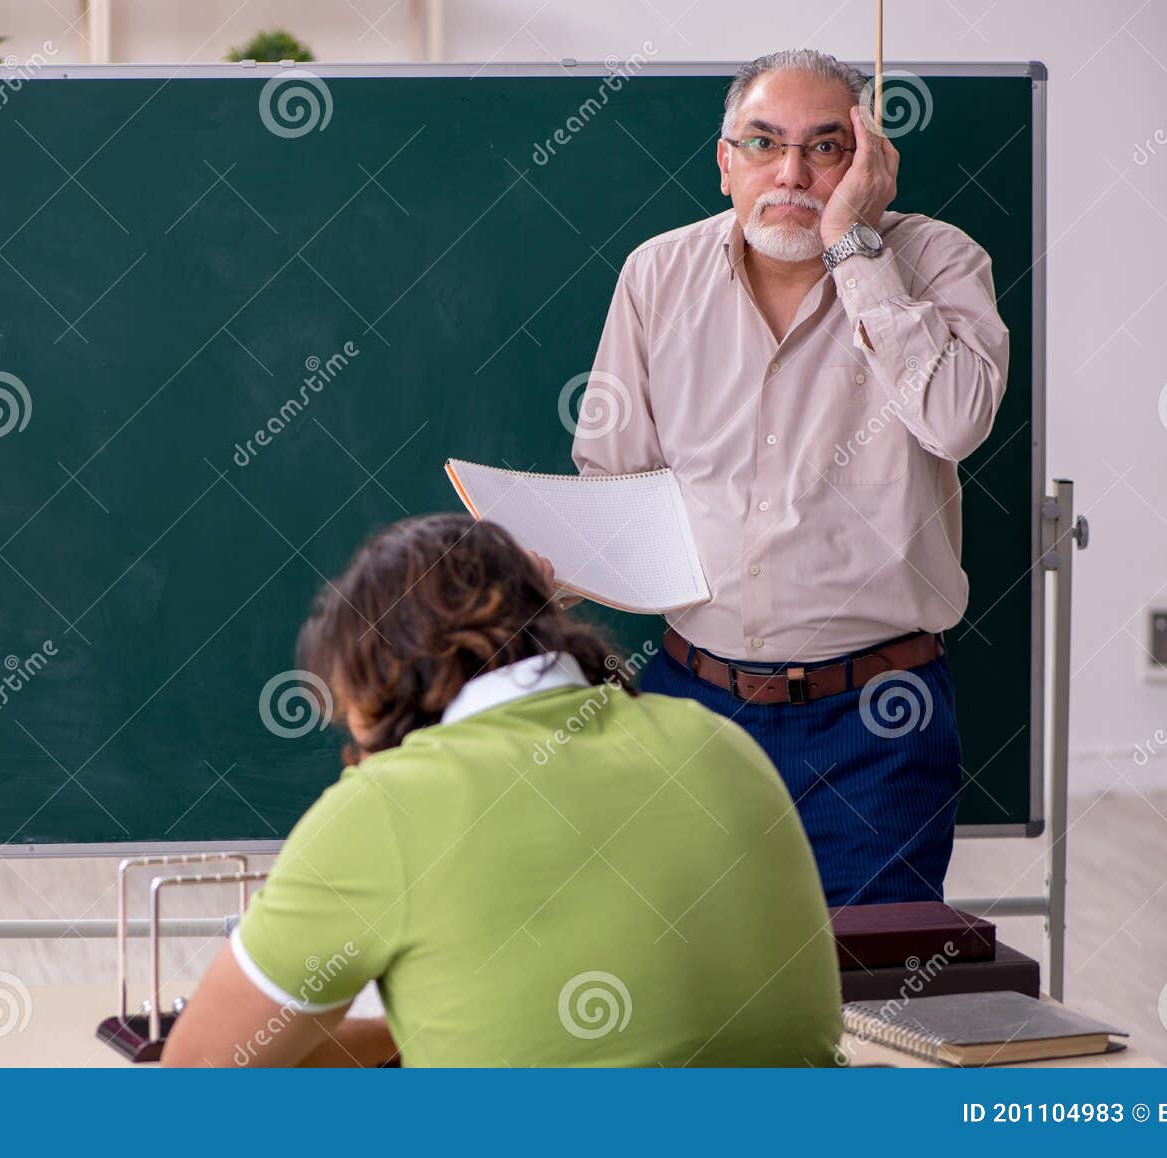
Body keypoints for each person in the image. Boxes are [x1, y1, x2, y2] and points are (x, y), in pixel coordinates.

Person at [564, 48, 1009, 907]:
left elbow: (956, 420)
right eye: (764, 143)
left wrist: (855, 244)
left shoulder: (942, 261)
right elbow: (612, 477)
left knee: (866, 998)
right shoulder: (657, 274)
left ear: (869, 161)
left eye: (826, 147)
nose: (792, 172)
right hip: (690, 703)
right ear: (725, 160)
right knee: (689, 987)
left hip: (880, 723)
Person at [162, 514, 841, 1067]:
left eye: (350, 720)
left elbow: (193, 1080)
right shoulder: (720, 741)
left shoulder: (390, 806)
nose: (352, 749)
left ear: (379, 680)